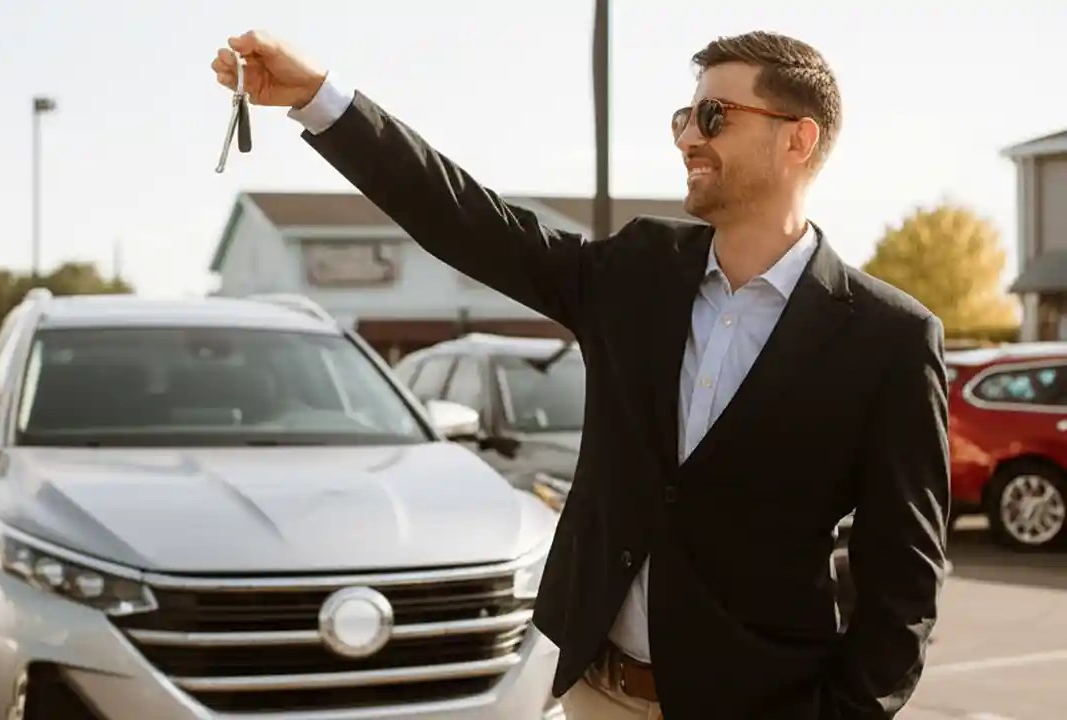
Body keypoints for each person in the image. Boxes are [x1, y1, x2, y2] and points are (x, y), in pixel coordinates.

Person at [212, 29, 950, 720]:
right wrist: (319, 99)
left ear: (799, 138)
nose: (690, 136)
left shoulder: (887, 338)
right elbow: (469, 220)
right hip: (599, 696)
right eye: (683, 118)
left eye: (715, 115)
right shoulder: (638, 271)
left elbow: (904, 585)